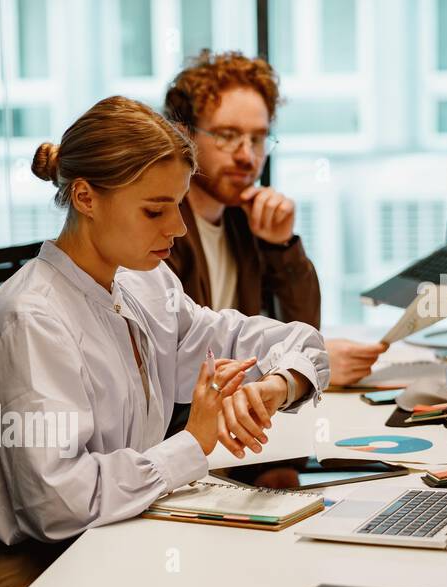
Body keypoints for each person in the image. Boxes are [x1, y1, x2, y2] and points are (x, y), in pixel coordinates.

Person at [0, 96, 329, 587]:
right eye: (155, 210)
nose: (177, 226)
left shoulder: (142, 284)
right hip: (41, 568)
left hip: (120, 531)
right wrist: (193, 444)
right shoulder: (30, 319)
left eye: (177, 205)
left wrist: (278, 383)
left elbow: (291, 339)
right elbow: (61, 506)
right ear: (85, 197)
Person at [163, 49, 388, 388]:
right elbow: (172, 361)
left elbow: (304, 326)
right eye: (226, 136)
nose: (247, 155)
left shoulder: (244, 218)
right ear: (186, 135)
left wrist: (281, 246)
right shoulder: (160, 225)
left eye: (257, 138)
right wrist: (300, 367)